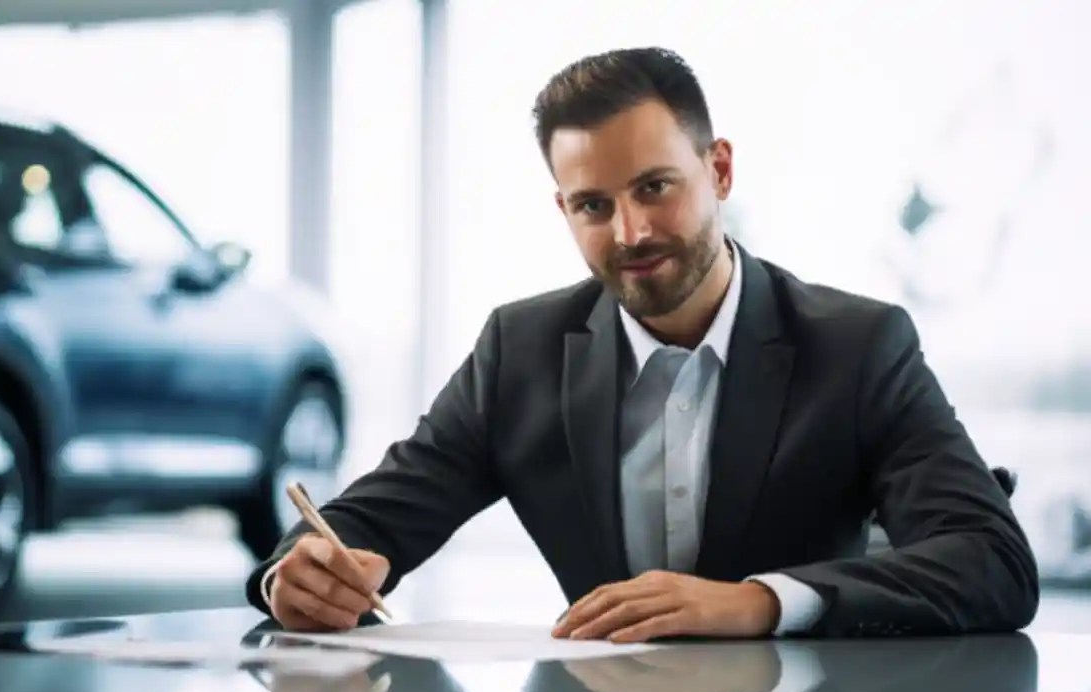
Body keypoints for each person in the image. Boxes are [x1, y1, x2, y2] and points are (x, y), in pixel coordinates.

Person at [247, 47, 1038, 640]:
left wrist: (757, 600)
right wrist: (297, 575)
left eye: (654, 187)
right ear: (562, 209)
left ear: (719, 170)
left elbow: (991, 561)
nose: (630, 232)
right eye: (593, 205)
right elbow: (363, 524)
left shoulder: (859, 346)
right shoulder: (518, 349)